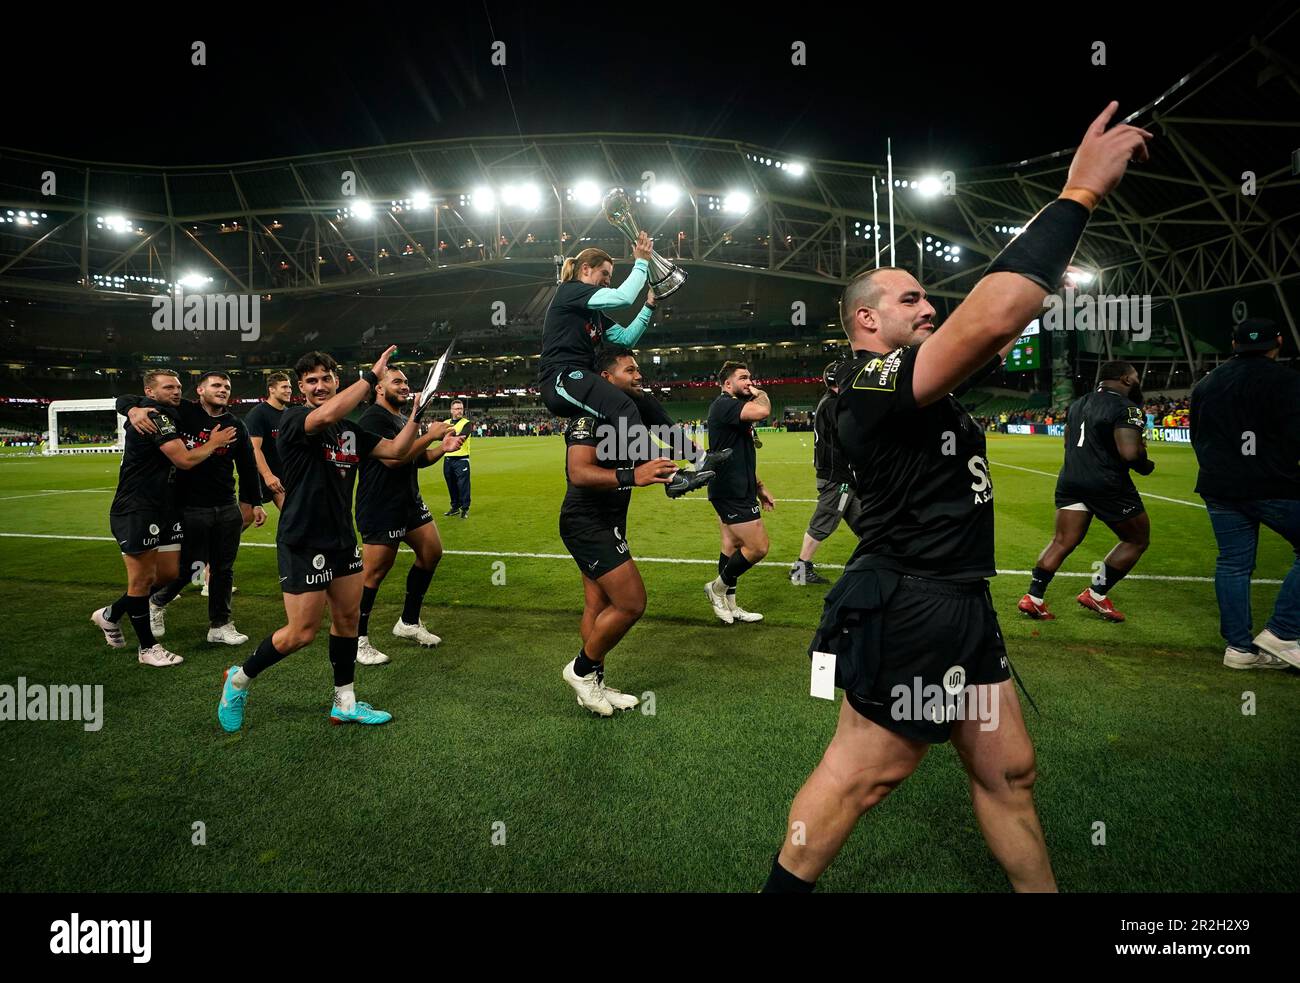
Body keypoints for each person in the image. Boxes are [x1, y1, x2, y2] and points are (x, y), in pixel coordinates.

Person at [762, 102, 1150, 893]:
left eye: (927, 298)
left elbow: (1001, 325)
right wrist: (1078, 192)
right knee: (862, 774)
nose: (927, 305)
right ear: (865, 318)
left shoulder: (909, 383)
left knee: (1009, 770)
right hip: (909, 599)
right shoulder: (860, 381)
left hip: (959, 600)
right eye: (909, 300)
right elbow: (992, 318)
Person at [215, 346, 421, 732]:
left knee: (347, 620)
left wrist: (416, 417)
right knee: (300, 633)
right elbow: (326, 414)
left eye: (326, 378)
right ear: (301, 388)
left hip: (342, 538)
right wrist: (372, 378)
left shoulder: (350, 431)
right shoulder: (296, 419)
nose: (320, 385)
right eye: (312, 380)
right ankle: (239, 679)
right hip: (303, 539)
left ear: (336, 381)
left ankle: (345, 702)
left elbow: (395, 450)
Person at [537, 235, 726, 497]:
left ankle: (699, 457)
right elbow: (623, 298)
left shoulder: (594, 314)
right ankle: (670, 477)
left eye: (610, 276)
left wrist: (649, 305)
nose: (607, 280)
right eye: (604, 273)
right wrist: (641, 262)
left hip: (579, 378)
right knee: (622, 405)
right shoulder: (569, 291)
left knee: (643, 402)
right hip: (560, 379)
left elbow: (626, 339)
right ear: (585, 269)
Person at [559, 346, 677, 715]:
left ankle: (594, 682)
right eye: (630, 370)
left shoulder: (625, 420)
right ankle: (580, 671)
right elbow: (578, 473)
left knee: (598, 604)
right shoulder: (588, 418)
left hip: (607, 521)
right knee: (631, 603)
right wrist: (633, 476)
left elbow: (648, 465)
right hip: (586, 523)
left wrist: (681, 476)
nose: (639, 375)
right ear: (606, 379)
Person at [93, 369, 238, 666]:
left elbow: (125, 399)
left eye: (179, 387)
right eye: (168, 387)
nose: (176, 392)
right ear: (150, 390)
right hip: (138, 507)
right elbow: (183, 460)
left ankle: (110, 615)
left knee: (169, 574)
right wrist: (213, 443)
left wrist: (129, 406)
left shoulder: (167, 413)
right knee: (142, 580)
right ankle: (147, 648)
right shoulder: (154, 417)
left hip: (166, 508)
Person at [118, 371, 266, 646]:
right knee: (186, 568)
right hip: (187, 506)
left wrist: (254, 503)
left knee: (223, 568)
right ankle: (156, 603)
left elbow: (247, 467)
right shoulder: (180, 411)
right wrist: (133, 409)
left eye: (227, 386)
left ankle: (220, 625)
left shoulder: (236, 425)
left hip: (225, 504)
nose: (223, 390)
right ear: (199, 390)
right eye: (216, 385)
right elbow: (128, 397)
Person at [1191, 318, 1300, 670]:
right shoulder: (1288, 381)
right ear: (1278, 342)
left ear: (1234, 344)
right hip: (1274, 483)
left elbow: (1198, 436)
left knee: (1234, 564)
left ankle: (1238, 649)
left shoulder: (1206, 384)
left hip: (1220, 486)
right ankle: (1282, 632)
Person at [1017, 361, 1153, 623]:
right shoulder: (1128, 408)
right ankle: (1097, 593)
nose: (1137, 381)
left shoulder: (1078, 403)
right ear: (1125, 379)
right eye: (1135, 377)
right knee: (1136, 540)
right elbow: (1129, 453)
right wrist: (1146, 464)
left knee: (1062, 541)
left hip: (1070, 479)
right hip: (1107, 483)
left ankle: (1033, 597)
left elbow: (1068, 442)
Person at [354, 368, 464, 665]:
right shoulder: (373, 419)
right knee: (374, 573)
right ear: (378, 389)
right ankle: (357, 639)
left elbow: (417, 458)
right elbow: (393, 459)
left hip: (409, 502)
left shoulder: (403, 419)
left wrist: (442, 447)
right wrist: (430, 433)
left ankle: (409, 622)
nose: (404, 386)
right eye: (397, 382)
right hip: (380, 506)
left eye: (406, 381)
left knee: (431, 552)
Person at [703, 362, 775, 624]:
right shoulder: (724, 404)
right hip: (729, 490)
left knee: (731, 545)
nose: (748, 382)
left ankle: (731, 605)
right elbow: (764, 410)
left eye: (750, 377)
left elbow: (740, 456)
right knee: (758, 547)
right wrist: (759, 392)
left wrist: (759, 487)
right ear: (727, 384)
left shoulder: (732, 408)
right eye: (743, 378)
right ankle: (717, 589)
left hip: (739, 487)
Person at [791, 359, 863, 586]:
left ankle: (876, 563)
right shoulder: (834, 404)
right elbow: (851, 437)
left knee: (867, 523)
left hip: (842, 476)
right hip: (837, 477)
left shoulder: (832, 402)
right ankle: (800, 570)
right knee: (824, 522)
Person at [247, 371, 292, 511]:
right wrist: (268, 475)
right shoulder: (258, 414)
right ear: (271, 389)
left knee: (293, 516)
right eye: (284, 387)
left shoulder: (288, 414)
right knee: (246, 518)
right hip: (261, 476)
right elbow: (254, 448)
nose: (289, 390)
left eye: (290, 387)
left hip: (283, 477)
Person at [442, 399, 472, 518]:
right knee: (451, 485)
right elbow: (439, 437)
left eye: (460, 408)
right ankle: (455, 507)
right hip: (448, 459)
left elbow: (462, 437)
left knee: (463, 485)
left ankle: (465, 508)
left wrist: (448, 437)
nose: (459, 411)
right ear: (451, 410)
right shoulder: (445, 423)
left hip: (461, 459)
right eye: (456, 409)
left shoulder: (467, 423)